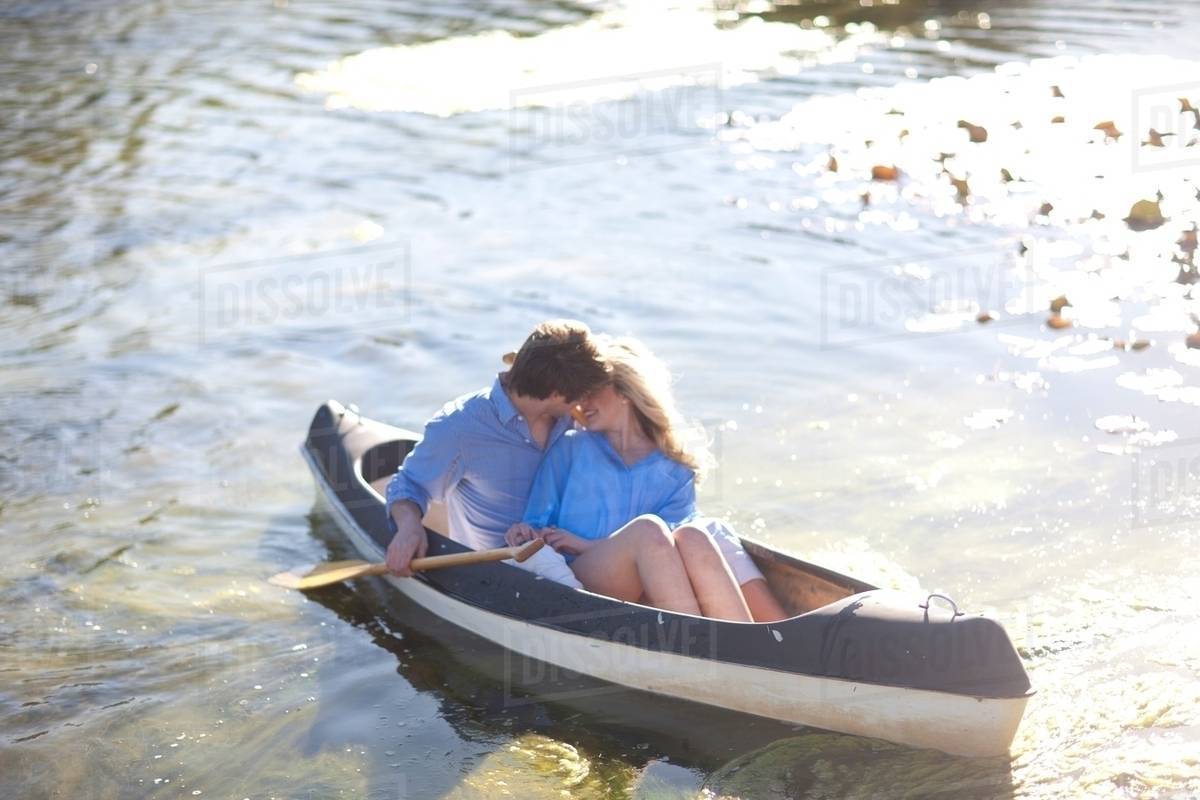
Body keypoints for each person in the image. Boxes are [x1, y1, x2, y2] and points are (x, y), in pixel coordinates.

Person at [506, 337, 789, 622]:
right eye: (581, 394)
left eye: (592, 391)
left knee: (695, 535)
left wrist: (588, 542)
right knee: (647, 529)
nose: (583, 402)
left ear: (625, 392)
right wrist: (528, 532)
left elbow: (675, 546)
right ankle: (698, 646)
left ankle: (739, 643)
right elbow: (536, 524)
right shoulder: (570, 447)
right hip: (582, 575)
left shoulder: (676, 469)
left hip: (657, 585)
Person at [382, 319, 610, 576]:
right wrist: (409, 527)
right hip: (504, 574)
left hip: (578, 558)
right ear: (556, 394)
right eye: (581, 395)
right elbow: (409, 484)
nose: (584, 403)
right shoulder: (460, 427)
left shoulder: (572, 420)